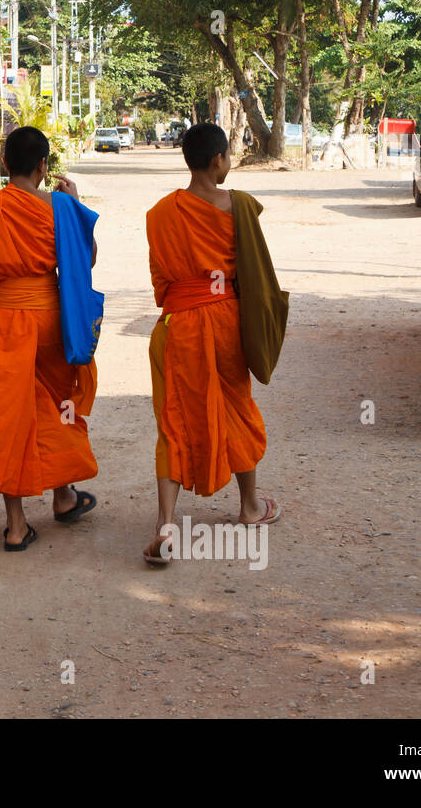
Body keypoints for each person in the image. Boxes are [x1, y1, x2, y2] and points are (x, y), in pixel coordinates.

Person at [0, 126, 99, 551]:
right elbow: (86, 261)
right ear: (43, 166)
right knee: (57, 402)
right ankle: (63, 495)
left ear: (6, 163)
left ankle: (16, 525)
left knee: (10, 415)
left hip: (7, 322)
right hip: (51, 320)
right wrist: (76, 206)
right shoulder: (62, 207)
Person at [143, 122, 278, 566]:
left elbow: (161, 284)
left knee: (174, 421)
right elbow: (255, 273)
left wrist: (186, 299)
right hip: (224, 322)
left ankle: (166, 523)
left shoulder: (160, 214)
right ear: (218, 160)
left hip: (176, 325)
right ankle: (250, 508)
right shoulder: (239, 206)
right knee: (236, 408)